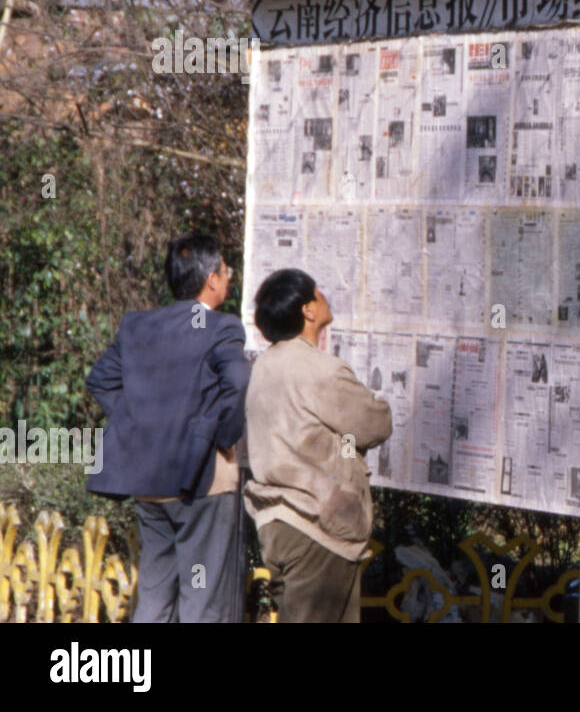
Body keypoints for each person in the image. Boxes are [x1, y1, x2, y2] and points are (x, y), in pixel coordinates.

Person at [86, 233, 250, 623]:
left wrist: (140, 423)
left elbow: (101, 379)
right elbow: (239, 383)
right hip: (202, 482)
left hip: (148, 480)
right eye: (225, 270)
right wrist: (222, 436)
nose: (229, 277)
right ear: (211, 278)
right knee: (202, 596)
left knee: (155, 595)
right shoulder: (221, 327)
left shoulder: (139, 326)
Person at [244, 268, 391, 623]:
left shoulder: (264, 366)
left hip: (277, 522)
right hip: (317, 529)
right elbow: (377, 423)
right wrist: (348, 442)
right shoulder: (320, 370)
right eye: (318, 292)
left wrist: (342, 440)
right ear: (309, 310)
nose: (325, 297)